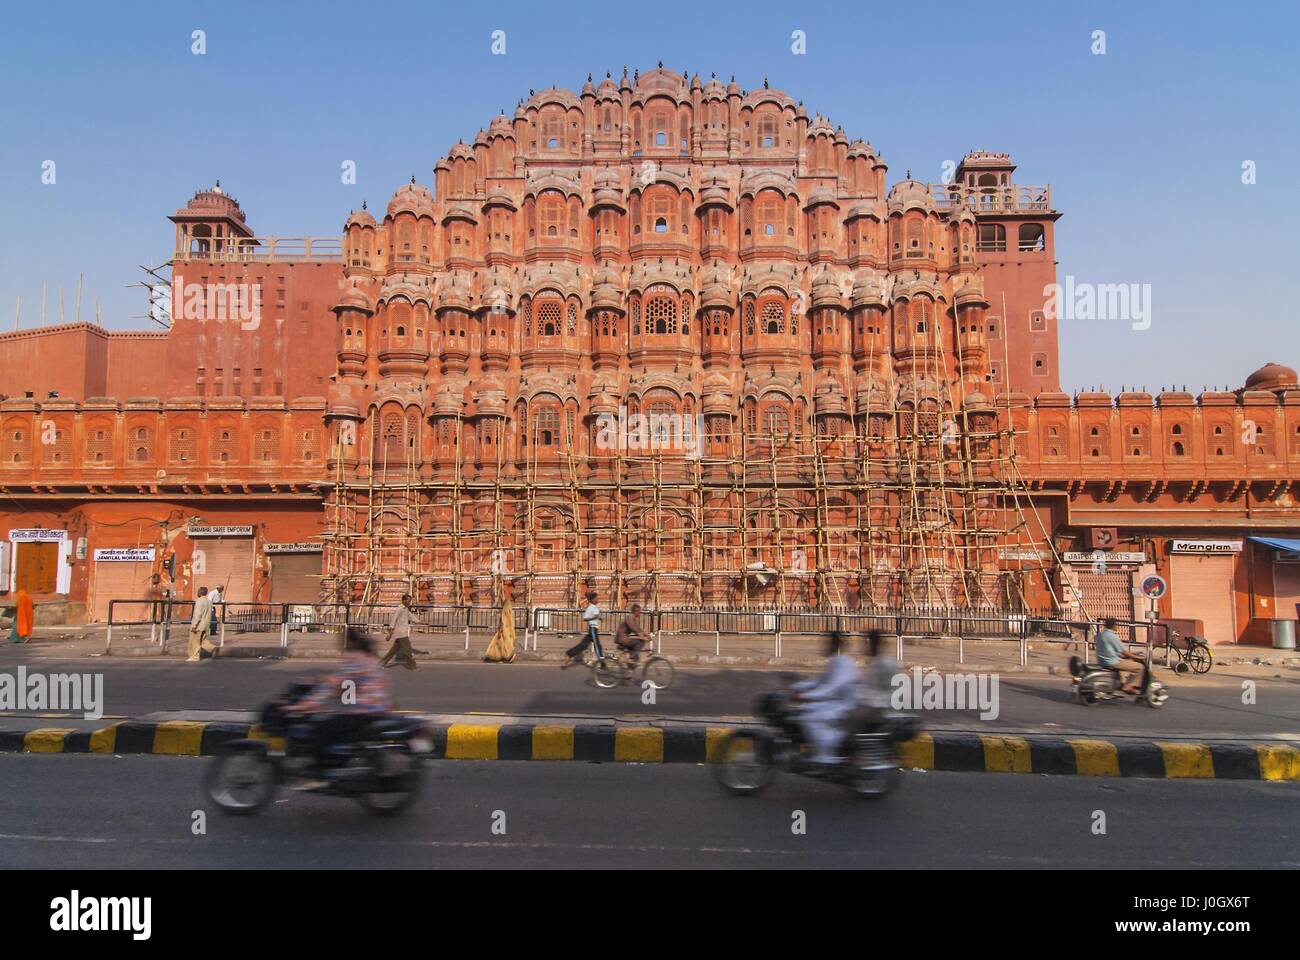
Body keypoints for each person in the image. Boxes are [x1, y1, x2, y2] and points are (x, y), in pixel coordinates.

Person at [283, 627, 391, 778]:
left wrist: (304, 705)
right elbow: (348, 689)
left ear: (349, 642)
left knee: (320, 731)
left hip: (361, 713)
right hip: (377, 711)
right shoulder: (372, 659)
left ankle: (319, 775)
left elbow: (338, 686)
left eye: (341, 641)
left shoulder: (354, 657)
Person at [790, 630, 862, 766]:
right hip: (835, 703)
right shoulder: (835, 661)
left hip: (845, 706)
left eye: (826, 643)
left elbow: (831, 687)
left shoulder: (844, 663)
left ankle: (826, 755)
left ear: (834, 645)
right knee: (802, 711)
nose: (823, 646)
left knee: (810, 718)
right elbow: (818, 680)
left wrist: (806, 696)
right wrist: (797, 687)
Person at [1095, 617, 1143, 693]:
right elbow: (1124, 651)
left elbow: (1111, 649)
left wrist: (1127, 655)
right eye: (1116, 625)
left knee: (1129, 661)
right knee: (1140, 667)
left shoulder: (1100, 635)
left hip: (1102, 660)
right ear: (1114, 626)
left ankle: (1121, 683)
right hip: (1112, 662)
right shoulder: (1112, 636)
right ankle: (1128, 686)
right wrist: (1138, 657)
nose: (1117, 627)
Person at [562, 591, 602, 668]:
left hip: (594, 629)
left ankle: (569, 654)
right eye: (596, 598)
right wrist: (595, 617)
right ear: (592, 599)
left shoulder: (595, 607)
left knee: (583, 646)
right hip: (593, 629)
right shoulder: (590, 607)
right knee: (597, 645)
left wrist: (599, 618)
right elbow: (585, 618)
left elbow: (595, 616)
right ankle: (602, 662)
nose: (598, 599)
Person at [379, 593, 418, 671]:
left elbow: (412, 617)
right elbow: (393, 621)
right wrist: (390, 634)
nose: (409, 603)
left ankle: (381, 664)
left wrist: (422, 622)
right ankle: (413, 667)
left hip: (402, 634)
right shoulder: (399, 609)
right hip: (401, 634)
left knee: (393, 651)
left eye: (410, 601)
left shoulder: (405, 609)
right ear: (403, 601)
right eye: (408, 601)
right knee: (408, 652)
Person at [861, 629, 898, 711]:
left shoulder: (885, 664)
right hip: (877, 705)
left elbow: (887, 694)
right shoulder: (877, 662)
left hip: (882, 707)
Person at [483, 581, 517, 663]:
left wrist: (501, 627)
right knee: (502, 644)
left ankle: (507, 656)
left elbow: (504, 620)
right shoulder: (509, 610)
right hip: (508, 630)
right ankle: (505, 656)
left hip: (505, 629)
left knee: (502, 644)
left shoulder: (506, 609)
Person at [188, 587, 217, 662]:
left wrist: (194, 625)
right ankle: (212, 648)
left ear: (200, 592)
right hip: (206, 625)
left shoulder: (199, 601)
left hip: (199, 625)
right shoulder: (209, 602)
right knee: (202, 641)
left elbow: (197, 615)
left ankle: (195, 656)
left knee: (195, 642)